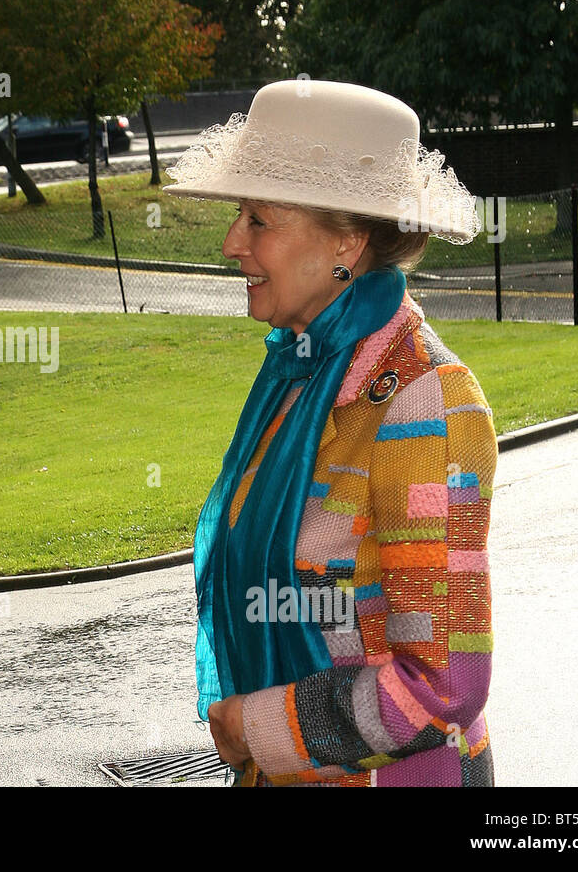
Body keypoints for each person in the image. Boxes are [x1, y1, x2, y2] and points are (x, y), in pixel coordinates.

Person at [165, 79, 496, 786]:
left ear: (347, 242)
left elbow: (443, 686)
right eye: (238, 217)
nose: (231, 243)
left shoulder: (424, 402)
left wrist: (254, 723)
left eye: (259, 220)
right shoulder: (301, 377)